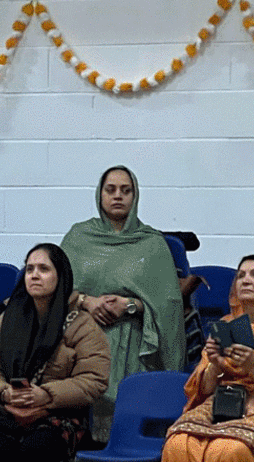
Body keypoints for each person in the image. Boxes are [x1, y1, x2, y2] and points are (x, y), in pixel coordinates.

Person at [0, 243, 110, 462]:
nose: (34, 275)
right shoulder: (8, 318)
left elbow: (94, 380)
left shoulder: (81, 324)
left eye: (44, 269)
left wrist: (46, 394)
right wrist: (4, 393)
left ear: (61, 276)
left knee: (36, 450)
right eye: (30, 269)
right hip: (9, 414)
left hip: (59, 417)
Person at [60, 165, 184, 441]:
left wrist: (131, 305)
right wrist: (87, 301)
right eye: (111, 189)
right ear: (100, 194)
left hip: (138, 340)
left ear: (135, 196)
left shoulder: (151, 244)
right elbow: (56, 287)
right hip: (83, 337)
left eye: (126, 191)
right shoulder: (79, 238)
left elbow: (169, 303)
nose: (118, 196)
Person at [159, 255, 254, 462]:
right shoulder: (225, 325)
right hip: (221, 403)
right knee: (178, 445)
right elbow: (201, 390)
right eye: (240, 276)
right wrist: (216, 367)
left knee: (230, 451)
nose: (245, 280)